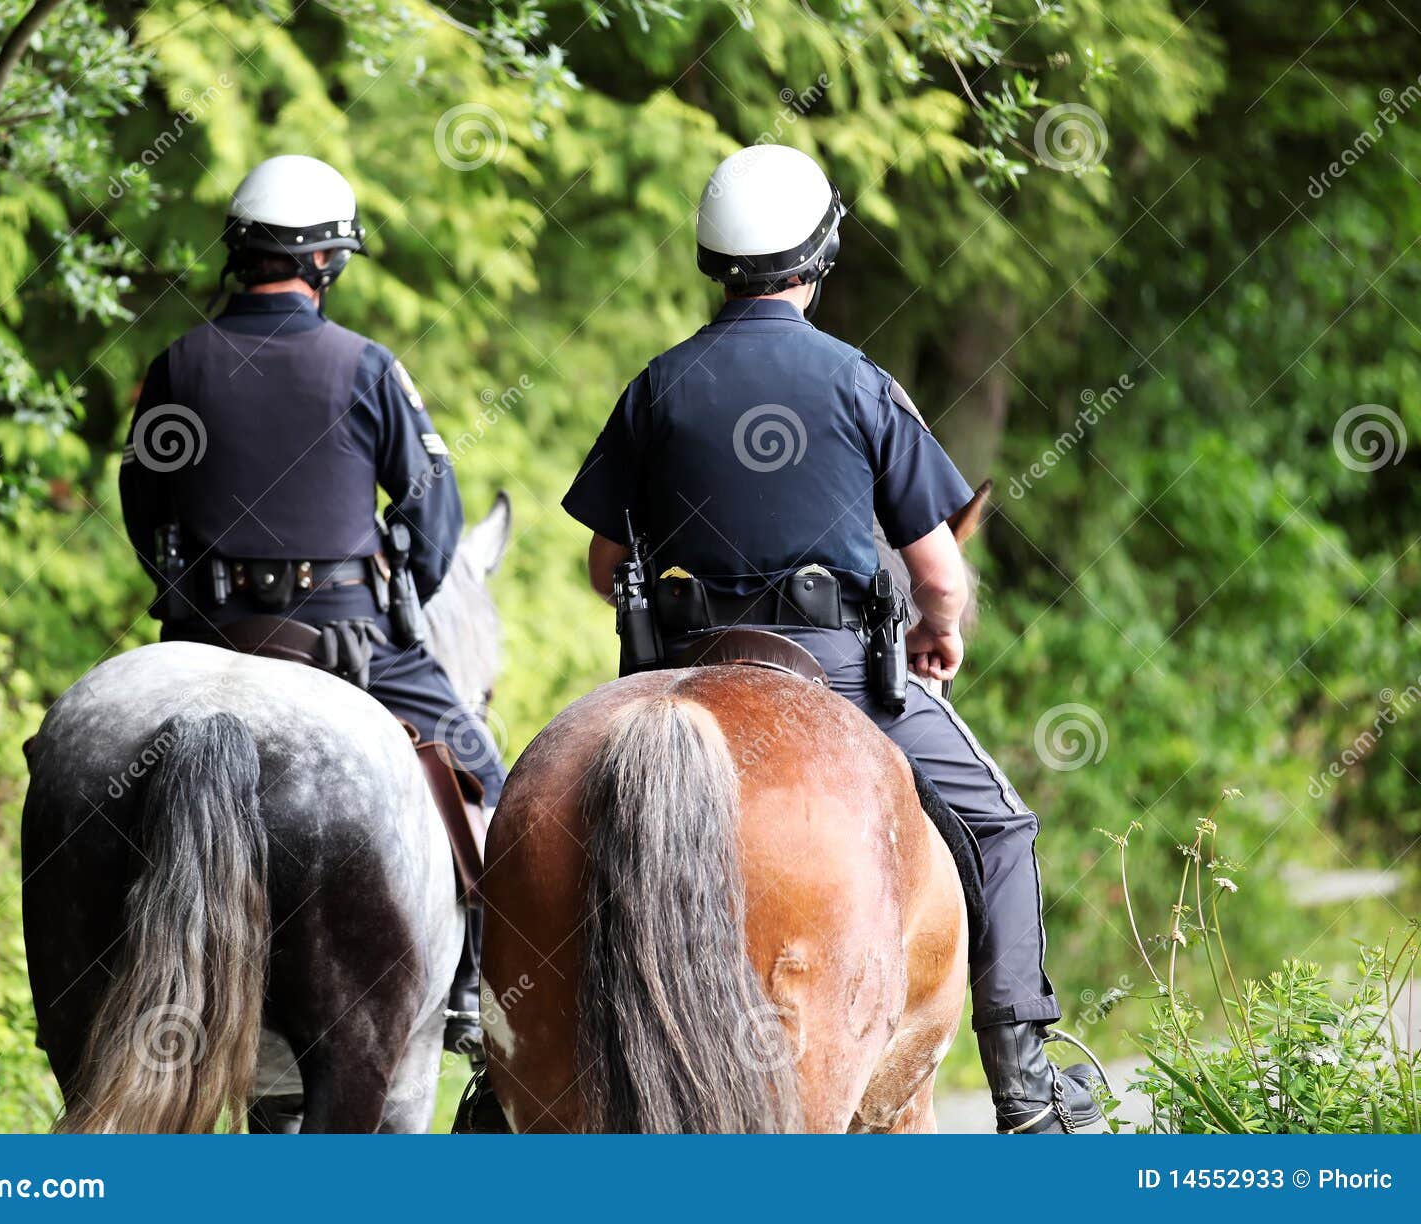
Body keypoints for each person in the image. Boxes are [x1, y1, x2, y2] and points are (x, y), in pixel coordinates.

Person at [561, 144, 1104, 1134]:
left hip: (685, 672)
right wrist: (939, 637)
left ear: (711, 261)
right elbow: (937, 573)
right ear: (820, 255)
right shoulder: (860, 384)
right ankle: (1030, 1091)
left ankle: (492, 1061)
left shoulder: (658, 385)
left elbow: (604, 567)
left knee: (536, 802)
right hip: (840, 668)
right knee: (1000, 826)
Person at [118, 154, 502, 1055]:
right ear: (328, 262)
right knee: (495, 772)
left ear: (240, 254)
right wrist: (403, 584)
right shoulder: (368, 367)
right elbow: (433, 516)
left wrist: (185, 592)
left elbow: (143, 507)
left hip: (204, 635)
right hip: (344, 639)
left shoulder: (177, 364)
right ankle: (479, 994)